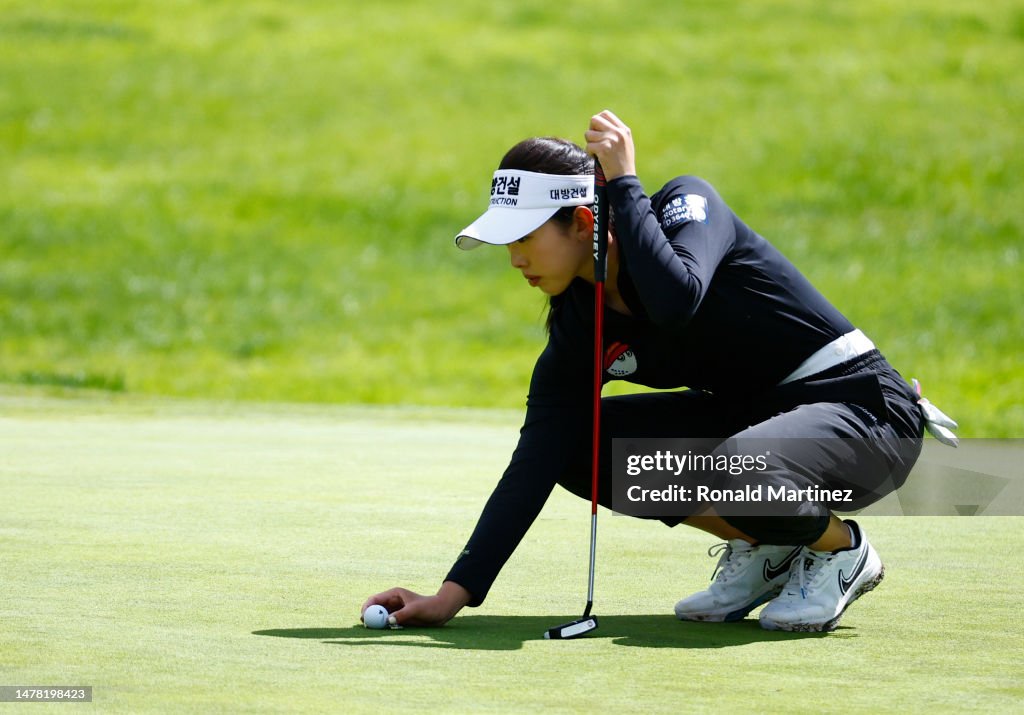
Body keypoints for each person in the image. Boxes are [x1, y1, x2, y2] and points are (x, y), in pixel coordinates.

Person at [362, 110, 951, 633]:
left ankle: (840, 547)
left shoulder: (687, 207)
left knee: (739, 467)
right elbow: (537, 454)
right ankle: (769, 545)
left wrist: (623, 181)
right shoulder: (579, 320)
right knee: (578, 443)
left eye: (525, 237)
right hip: (759, 429)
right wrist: (452, 595)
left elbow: (676, 300)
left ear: (584, 223)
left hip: (868, 414)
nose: (514, 258)